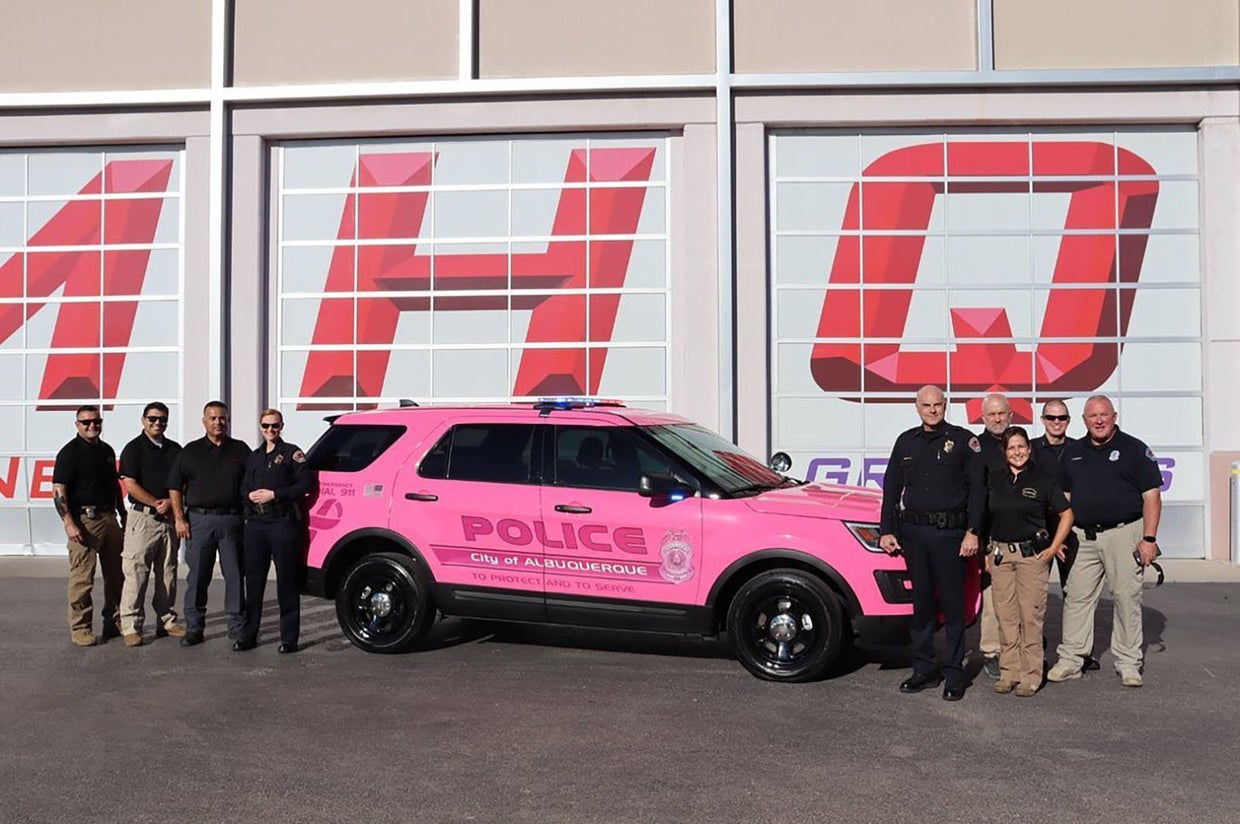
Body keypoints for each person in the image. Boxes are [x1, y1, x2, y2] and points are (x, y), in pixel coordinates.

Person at [1047, 395, 1162, 688]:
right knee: (1077, 597)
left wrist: (1149, 539)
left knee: (1125, 597)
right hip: (1082, 537)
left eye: (1103, 415)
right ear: (1084, 420)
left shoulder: (1135, 450)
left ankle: (1128, 663)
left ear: (1114, 417)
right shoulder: (1072, 452)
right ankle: (1071, 659)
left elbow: (1152, 497)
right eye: (1092, 416)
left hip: (1124, 535)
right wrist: (1060, 536)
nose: (1098, 421)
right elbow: (1066, 498)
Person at [880, 385, 985, 701]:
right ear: (917, 407)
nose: (932, 410)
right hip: (914, 534)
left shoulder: (964, 441)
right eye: (926, 405)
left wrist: (973, 531)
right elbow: (891, 487)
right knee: (922, 606)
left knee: (953, 607)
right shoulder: (906, 441)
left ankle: (953, 673)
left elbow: (978, 490)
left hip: (950, 535)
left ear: (945, 405)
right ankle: (924, 669)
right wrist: (887, 530)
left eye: (937, 404)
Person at [986, 427, 1073, 697]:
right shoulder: (995, 479)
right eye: (1011, 448)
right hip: (1001, 556)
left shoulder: (1043, 479)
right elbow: (986, 517)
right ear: (1004, 452)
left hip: (1030, 557)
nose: (1017, 452)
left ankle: (1030, 675)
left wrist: (1054, 546)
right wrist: (986, 553)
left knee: (1030, 617)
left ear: (1029, 448)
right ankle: (1009, 672)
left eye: (1021, 446)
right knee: (1006, 617)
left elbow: (1067, 514)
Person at [167, 400, 250, 646]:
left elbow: (251, 483)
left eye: (222, 418)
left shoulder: (240, 450)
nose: (218, 422)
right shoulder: (190, 451)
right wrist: (179, 518)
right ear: (204, 421)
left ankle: (237, 627)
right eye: (212, 418)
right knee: (197, 577)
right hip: (199, 521)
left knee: (235, 576)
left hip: (232, 521)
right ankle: (194, 628)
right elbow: (175, 486)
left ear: (228, 420)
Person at [235, 409, 314, 654]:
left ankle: (289, 639)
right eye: (266, 426)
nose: (270, 430)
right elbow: (243, 487)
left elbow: (305, 484)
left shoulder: (292, 453)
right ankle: (249, 635)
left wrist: (275, 494)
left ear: (282, 426)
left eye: (275, 426)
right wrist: (249, 495)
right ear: (260, 427)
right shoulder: (254, 456)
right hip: (256, 525)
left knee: (286, 582)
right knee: (254, 583)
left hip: (282, 524)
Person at [53, 405, 126, 646]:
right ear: (77, 425)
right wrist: (69, 523)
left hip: (108, 518)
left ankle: (114, 622)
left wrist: (122, 513)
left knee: (116, 575)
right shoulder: (69, 453)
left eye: (96, 421)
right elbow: (59, 490)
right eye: (86, 422)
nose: (92, 426)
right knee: (82, 578)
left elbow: (114, 486)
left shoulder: (106, 450)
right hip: (84, 521)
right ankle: (81, 628)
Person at [117, 402, 186, 646]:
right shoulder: (133, 449)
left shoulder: (175, 449)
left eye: (163, 419)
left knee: (167, 572)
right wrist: (157, 503)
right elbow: (130, 484)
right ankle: (131, 625)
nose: (158, 423)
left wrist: (171, 505)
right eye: (153, 419)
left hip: (168, 518)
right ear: (143, 420)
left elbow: (182, 482)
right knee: (136, 573)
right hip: (143, 518)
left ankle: (166, 620)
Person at [974, 392, 1011, 679]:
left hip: (1019, 532)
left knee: (1020, 597)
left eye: (1002, 413)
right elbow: (974, 496)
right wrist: (980, 541)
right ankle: (992, 651)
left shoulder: (1019, 443)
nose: (997, 419)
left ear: (1010, 415)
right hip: (991, 535)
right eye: (992, 414)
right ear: (984, 417)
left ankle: (1016, 648)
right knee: (992, 598)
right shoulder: (976, 448)